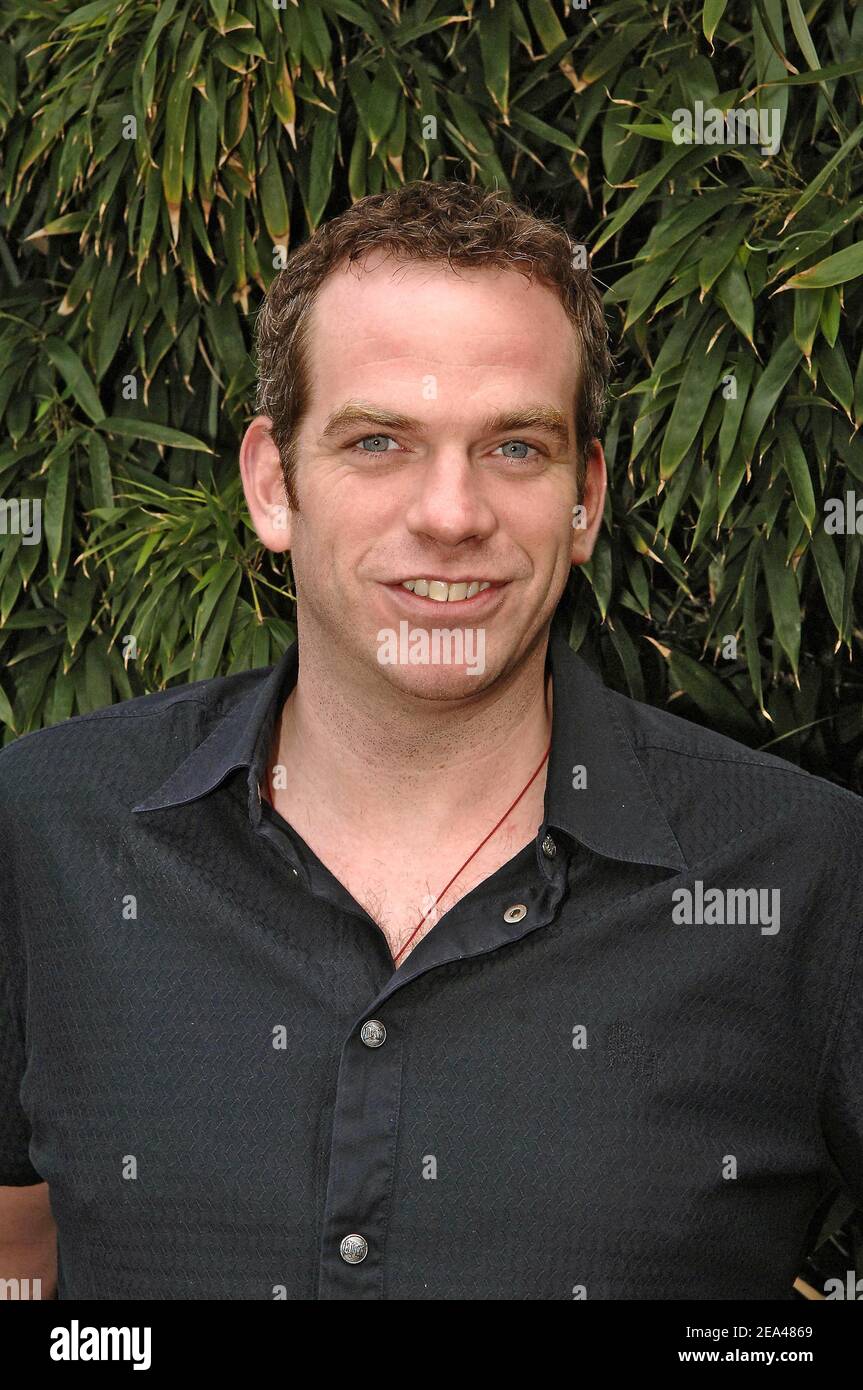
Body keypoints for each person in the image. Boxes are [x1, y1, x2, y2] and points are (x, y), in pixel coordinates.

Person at [1, 181, 860, 1300]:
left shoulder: (805, 873)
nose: (450, 513)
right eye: (377, 442)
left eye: (512, 447)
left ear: (585, 499)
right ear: (272, 484)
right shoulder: (50, 827)